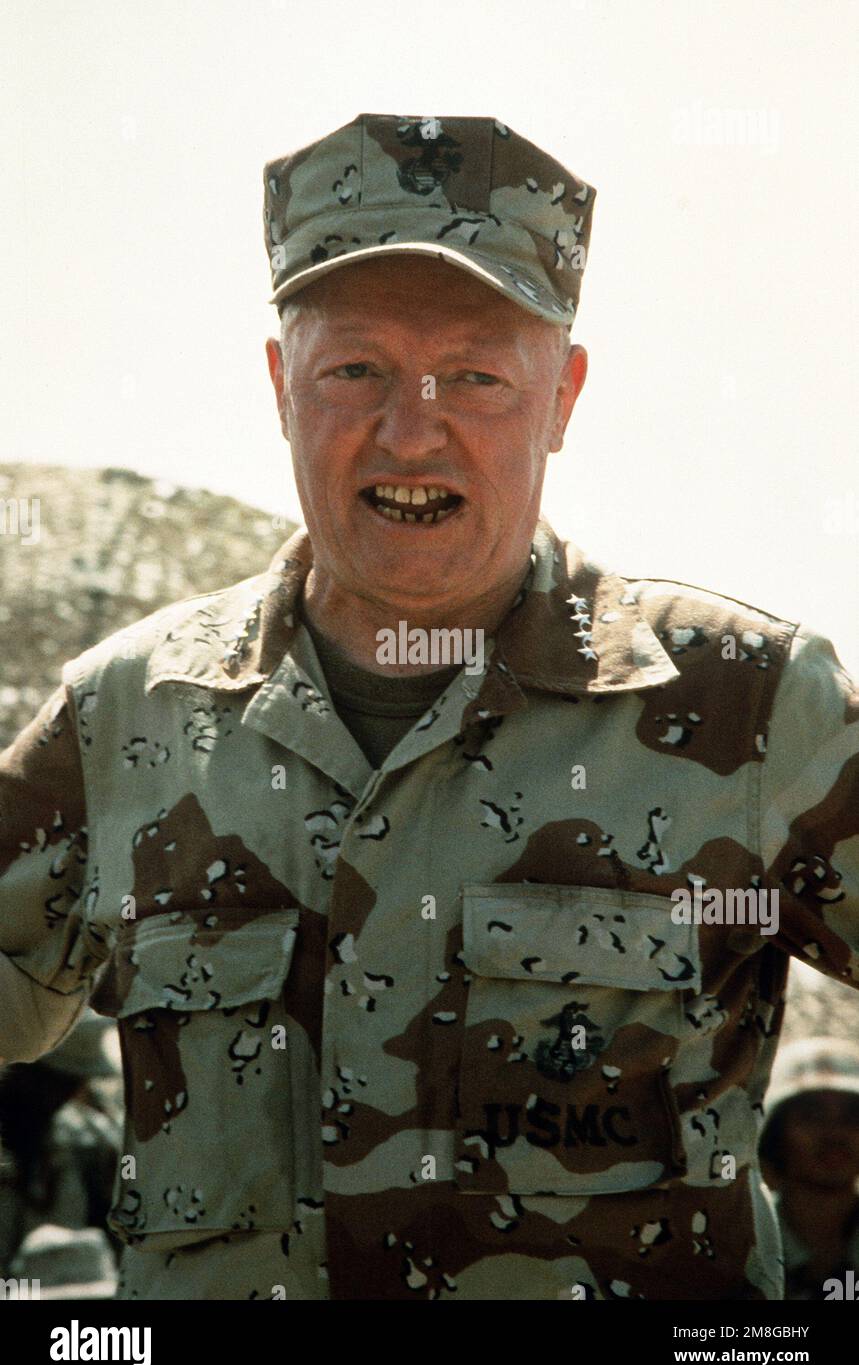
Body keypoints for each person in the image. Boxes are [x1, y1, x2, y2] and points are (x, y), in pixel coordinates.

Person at [0, 112, 856, 1301]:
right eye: (355, 369)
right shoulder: (123, 718)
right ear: (279, 386)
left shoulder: (754, 709)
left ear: (562, 397)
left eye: (477, 376)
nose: (412, 428)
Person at [0, 1011, 122, 1278]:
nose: (61, 1094)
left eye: (73, 1082)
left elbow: (120, 1233)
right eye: (53, 1079)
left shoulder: (91, 1141)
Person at [759, 1037, 859, 1300]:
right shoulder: (741, 1242)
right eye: (812, 1116)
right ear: (774, 1135)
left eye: (852, 1117)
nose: (835, 1134)